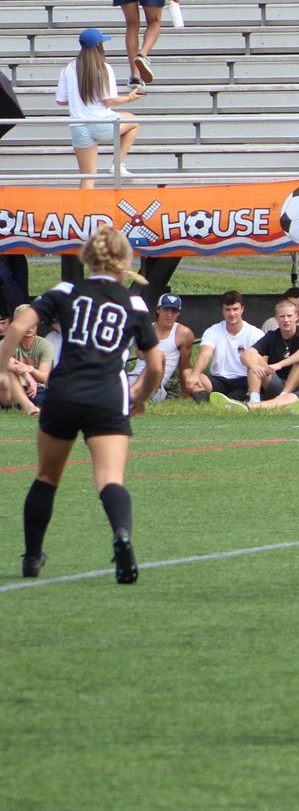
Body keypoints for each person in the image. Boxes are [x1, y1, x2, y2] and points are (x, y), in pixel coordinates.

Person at [3, 224, 162, 582]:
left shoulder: (66, 290)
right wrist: (142, 396)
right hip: (108, 393)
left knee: (46, 476)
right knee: (110, 479)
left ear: (87, 257)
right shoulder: (133, 302)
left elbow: (17, 327)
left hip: (64, 391)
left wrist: (3, 368)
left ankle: (31, 558)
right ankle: (121, 536)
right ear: (125, 261)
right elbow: (155, 364)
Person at [55, 28, 145, 189]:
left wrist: (77, 97)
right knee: (133, 121)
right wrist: (130, 98)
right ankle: (117, 164)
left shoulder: (68, 68)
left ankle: (86, 213)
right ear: (98, 45)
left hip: (79, 125)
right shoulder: (103, 68)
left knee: (87, 177)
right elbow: (109, 100)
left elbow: (61, 101)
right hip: (103, 122)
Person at [226, 299, 299, 407]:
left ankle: (284, 396)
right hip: (277, 384)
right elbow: (246, 354)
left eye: (289, 316)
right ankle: (254, 399)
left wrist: (280, 364)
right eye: (282, 316)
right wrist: (254, 366)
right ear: (277, 319)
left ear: (296, 316)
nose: (286, 320)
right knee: (253, 358)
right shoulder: (272, 335)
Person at [182, 291, 261, 405]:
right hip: (218, 380)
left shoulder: (255, 333)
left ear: (242, 309)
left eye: (235, 309)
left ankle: (237, 398)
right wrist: (194, 376)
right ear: (222, 310)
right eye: (227, 309)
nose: (232, 313)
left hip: (244, 379)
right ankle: (205, 400)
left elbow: (262, 362)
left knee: (254, 377)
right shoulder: (212, 331)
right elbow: (205, 354)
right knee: (188, 373)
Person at [129, 292, 192, 404]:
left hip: (155, 385)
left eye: (174, 311)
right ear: (158, 310)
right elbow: (139, 353)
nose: (169, 315)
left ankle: (131, 392)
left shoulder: (184, 333)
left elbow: (185, 367)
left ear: (178, 313)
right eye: (166, 310)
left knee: (158, 356)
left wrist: (185, 395)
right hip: (134, 377)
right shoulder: (147, 329)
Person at [6, 305, 55, 415]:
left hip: (37, 390)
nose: (29, 327)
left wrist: (30, 369)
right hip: (13, 388)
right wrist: (26, 374)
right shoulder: (8, 342)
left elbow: (43, 377)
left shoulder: (45, 345)